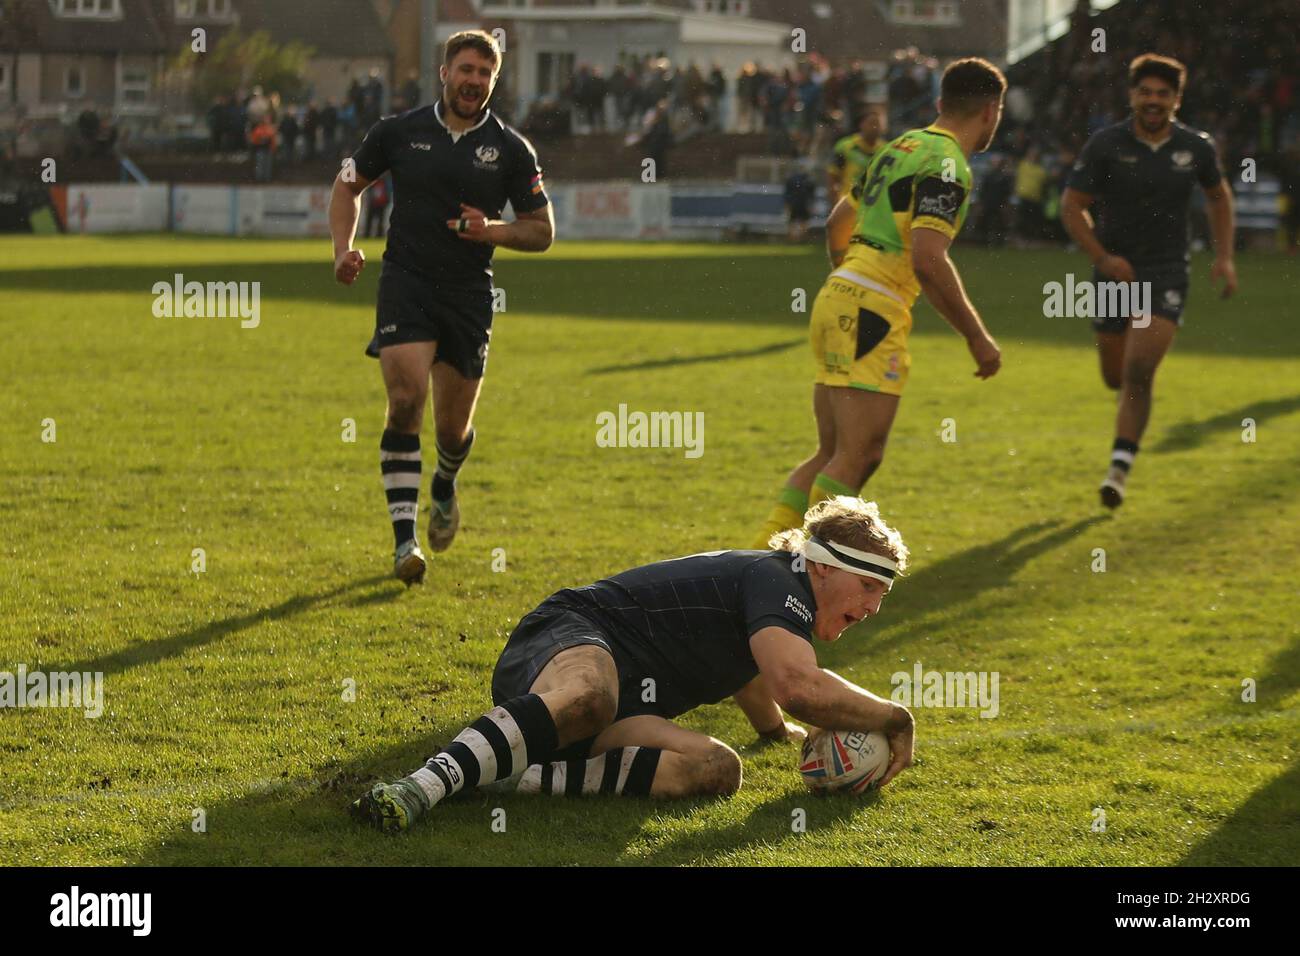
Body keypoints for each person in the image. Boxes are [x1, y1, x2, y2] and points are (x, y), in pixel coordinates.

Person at [350, 495, 916, 831]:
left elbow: (757, 671)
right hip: (574, 632)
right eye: (867, 586)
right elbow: (795, 683)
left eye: (883, 596)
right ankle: (421, 786)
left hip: (626, 700)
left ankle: (515, 777)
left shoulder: (783, 601)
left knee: (716, 770)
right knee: (591, 697)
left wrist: (773, 732)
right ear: (821, 567)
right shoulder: (777, 578)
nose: (871, 607)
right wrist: (894, 719)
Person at [328, 30, 555, 586]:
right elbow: (346, 186)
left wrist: (492, 230)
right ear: (444, 73)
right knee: (405, 398)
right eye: (466, 69)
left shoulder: (510, 149)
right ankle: (404, 540)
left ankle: (445, 484)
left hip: (468, 296)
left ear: (493, 82)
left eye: (485, 73)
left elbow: (543, 232)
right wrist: (342, 249)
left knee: (452, 432)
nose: (474, 81)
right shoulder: (399, 132)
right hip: (405, 282)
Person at [752, 58, 1005, 548]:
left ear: (939, 103)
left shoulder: (900, 146)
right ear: (992, 111)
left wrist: (846, 284)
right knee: (858, 455)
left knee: (831, 451)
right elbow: (929, 259)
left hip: (840, 293)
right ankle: (799, 574)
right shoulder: (949, 165)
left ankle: (758, 556)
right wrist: (978, 338)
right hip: (872, 304)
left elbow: (835, 225)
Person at [1061, 54, 1237, 509]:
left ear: (1177, 99)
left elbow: (1219, 198)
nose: (1154, 101)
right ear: (1132, 96)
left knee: (1140, 372)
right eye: (1146, 92)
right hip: (1113, 272)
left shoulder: (1195, 147)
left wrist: (1224, 256)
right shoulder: (1105, 144)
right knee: (1114, 375)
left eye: (1163, 93)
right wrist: (1102, 257)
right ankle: (1127, 419)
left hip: (1166, 271)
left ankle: (1118, 468)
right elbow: (1071, 206)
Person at [827, 103, 887, 202]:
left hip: (873, 205)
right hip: (848, 202)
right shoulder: (845, 146)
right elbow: (833, 174)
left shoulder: (886, 149)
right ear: (861, 124)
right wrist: (834, 200)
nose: (874, 127)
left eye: (877, 124)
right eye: (871, 123)